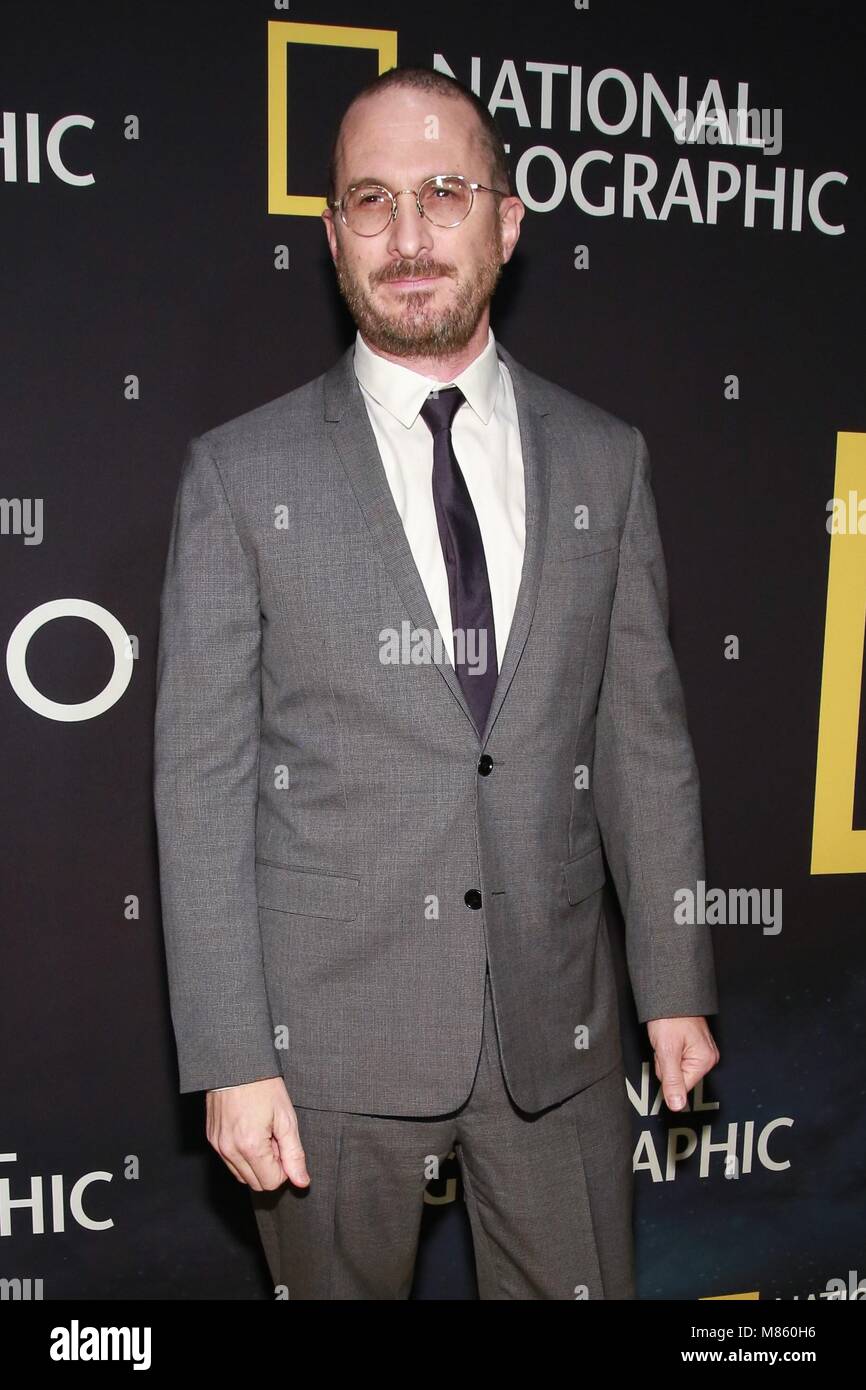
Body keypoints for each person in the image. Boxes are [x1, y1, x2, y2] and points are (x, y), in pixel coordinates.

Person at [153, 64, 720, 1300]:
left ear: (506, 223)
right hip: (326, 1049)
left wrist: (673, 982)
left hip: (556, 1029)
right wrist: (230, 1055)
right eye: (370, 201)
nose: (408, 237)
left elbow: (641, 741)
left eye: (443, 193)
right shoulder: (239, 477)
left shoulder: (604, 459)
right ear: (331, 237)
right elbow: (201, 791)